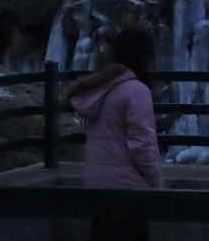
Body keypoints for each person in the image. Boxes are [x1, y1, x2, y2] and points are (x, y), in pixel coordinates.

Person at [66, 29, 162, 241]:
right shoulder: (136, 90)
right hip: (127, 189)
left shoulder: (102, 89)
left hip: (97, 185)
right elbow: (142, 145)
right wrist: (155, 180)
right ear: (142, 57)